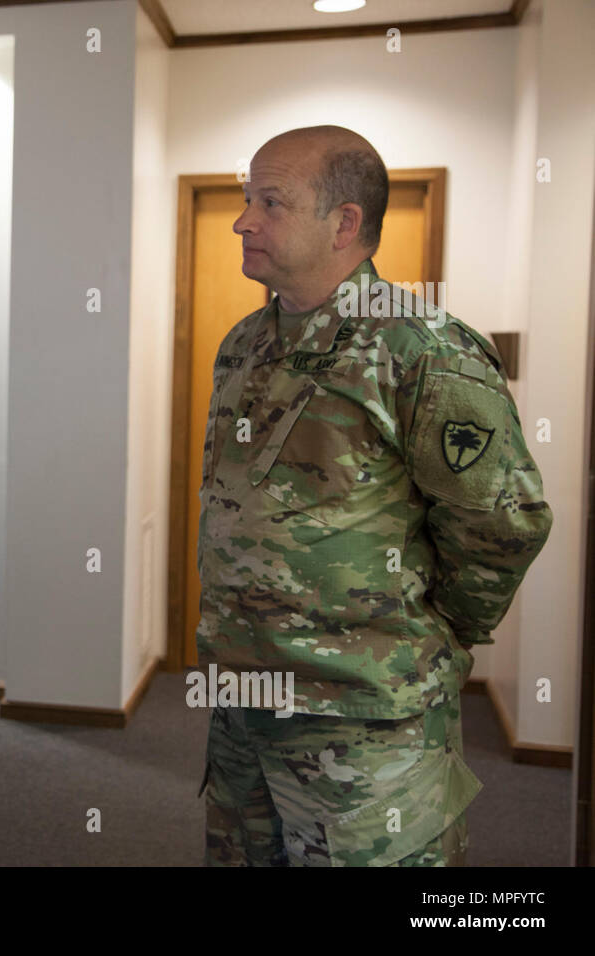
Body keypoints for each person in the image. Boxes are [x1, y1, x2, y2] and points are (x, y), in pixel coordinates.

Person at [196, 125, 553, 866]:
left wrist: (435, 633)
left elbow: (503, 521)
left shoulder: (422, 347)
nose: (243, 220)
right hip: (241, 704)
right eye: (244, 199)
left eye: (271, 201)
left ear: (345, 223)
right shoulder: (243, 344)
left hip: (364, 721)